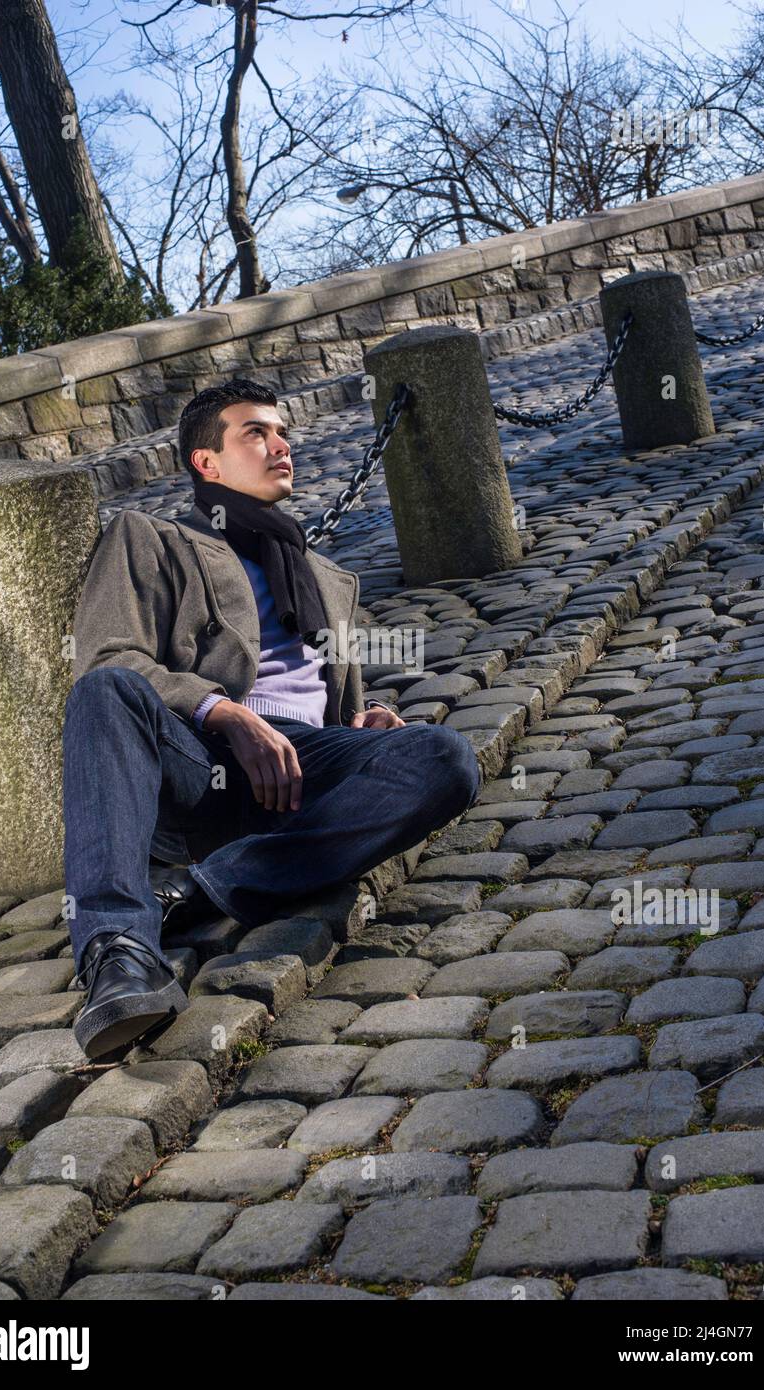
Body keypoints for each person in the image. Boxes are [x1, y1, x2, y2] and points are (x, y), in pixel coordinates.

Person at [63, 378, 482, 1060]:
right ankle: (119, 955)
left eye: (280, 432)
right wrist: (223, 711)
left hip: (308, 761)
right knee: (104, 689)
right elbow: (109, 655)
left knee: (443, 757)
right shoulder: (152, 540)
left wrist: (369, 718)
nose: (279, 445)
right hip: (199, 761)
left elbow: (333, 701)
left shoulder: (323, 576)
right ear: (208, 463)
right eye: (254, 433)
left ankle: (212, 888)